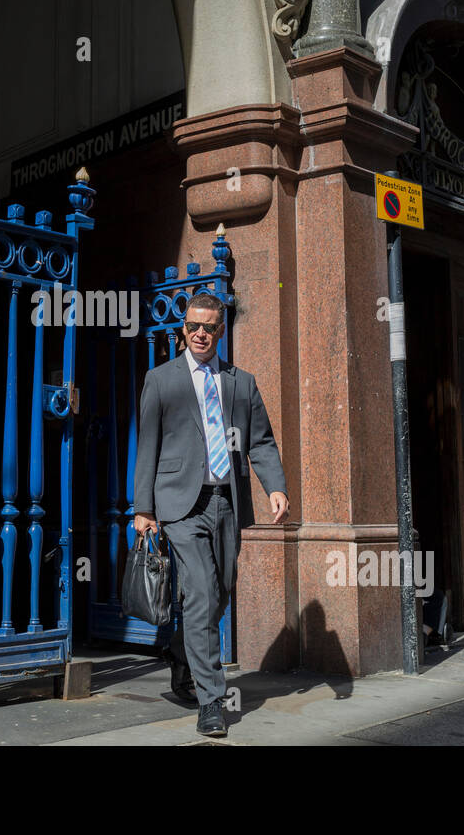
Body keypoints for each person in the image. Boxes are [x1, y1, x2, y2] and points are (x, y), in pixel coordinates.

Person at [134, 292, 288, 738]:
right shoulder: (161, 379)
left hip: (226, 501)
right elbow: (148, 444)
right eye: (193, 326)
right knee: (200, 591)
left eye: (210, 327)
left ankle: (182, 655)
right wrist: (143, 508)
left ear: (222, 330)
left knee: (218, 592)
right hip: (179, 504)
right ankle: (212, 701)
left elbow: (259, 440)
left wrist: (275, 486)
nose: (201, 333)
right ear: (182, 329)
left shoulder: (241, 382)